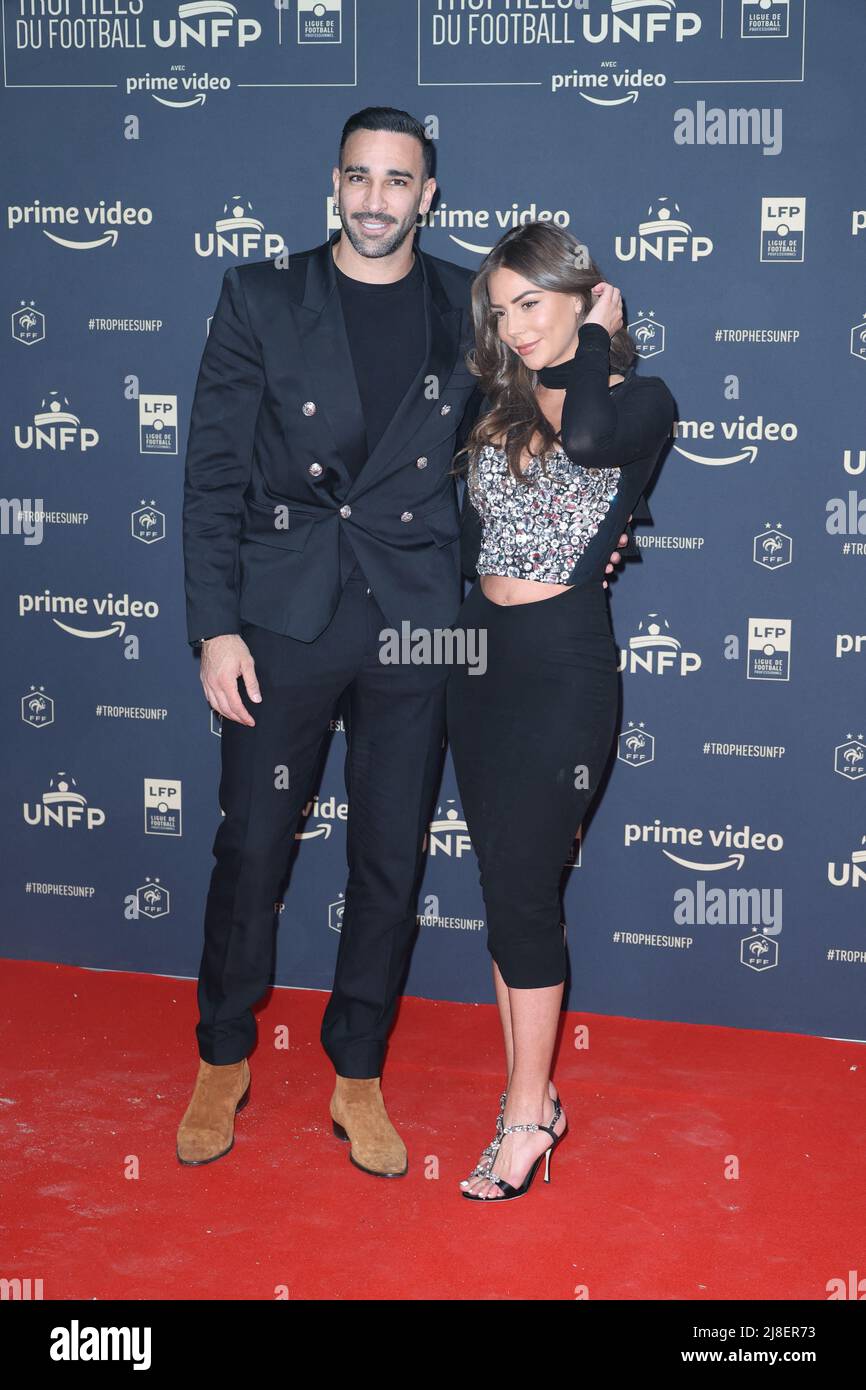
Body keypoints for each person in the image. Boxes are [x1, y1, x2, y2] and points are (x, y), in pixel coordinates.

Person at [178, 108, 633, 1177]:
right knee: (251, 846)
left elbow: (544, 441)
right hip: (284, 615)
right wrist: (213, 626)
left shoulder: (462, 311)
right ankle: (223, 1054)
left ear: (429, 196)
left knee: (389, 855)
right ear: (334, 184)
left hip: (419, 621)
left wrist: (593, 543)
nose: (376, 199)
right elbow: (209, 476)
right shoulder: (260, 295)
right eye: (359, 177)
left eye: (399, 182)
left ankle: (356, 1072)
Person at [446, 221, 676, 1201]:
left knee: (528, 895)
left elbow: (584, 438)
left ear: (584, 297)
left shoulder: (640, 402)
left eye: (531, 302)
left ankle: (526, 1116)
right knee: (504, 892)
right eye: (502, 313)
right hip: (480, 662)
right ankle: (525, 1097)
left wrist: (594, 338)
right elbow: (471, 533)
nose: (516, 326)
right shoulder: (492, 406)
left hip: (562, 668)